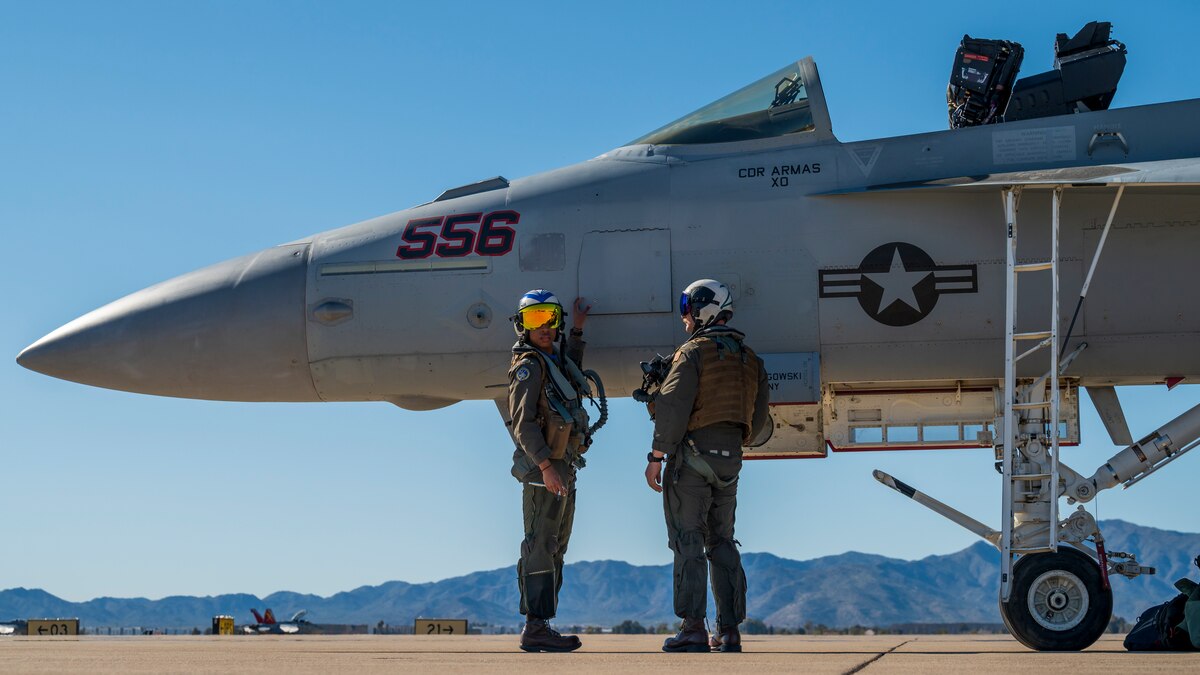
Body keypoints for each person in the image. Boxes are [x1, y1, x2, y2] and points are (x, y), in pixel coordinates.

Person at [643, 279, 770, 653]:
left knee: (689, 542)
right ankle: (728, 631)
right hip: (731, 461)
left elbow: (672, 409)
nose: (684, 316)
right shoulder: (751, 360)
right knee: (723, 542)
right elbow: (759, 421)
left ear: (702, 309)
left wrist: (656, 457)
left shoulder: (692, 353)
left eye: (687, 306)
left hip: (692, 461)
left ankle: (693, 629)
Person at [508, 290, 594, 652]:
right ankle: (535, 626)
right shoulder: (528, 365)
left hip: (563, 466)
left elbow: (567, 377)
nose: (543, 326)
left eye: (549, 318)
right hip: (544, 470)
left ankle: (543, 624)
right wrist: (545, 465)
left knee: (556, 546)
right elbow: (522, 423)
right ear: (522, 326)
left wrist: (576, 331)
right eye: (534, 319)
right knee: (541, 545)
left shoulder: (551, 360)